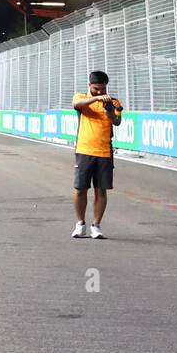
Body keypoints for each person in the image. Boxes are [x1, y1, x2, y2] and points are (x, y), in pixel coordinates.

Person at [71, 71, 123, 239]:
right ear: (89, 86)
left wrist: (109, 112)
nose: (100, 92)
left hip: (104, 152)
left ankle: (96, 225)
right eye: (96, 89)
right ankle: (80, 224)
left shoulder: (113, 102)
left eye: (103, 89)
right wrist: (96, 99)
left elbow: (117, 121)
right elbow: (78, 104)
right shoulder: (81, 97)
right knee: (80, 189)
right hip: (84, 151)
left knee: (101, 190)